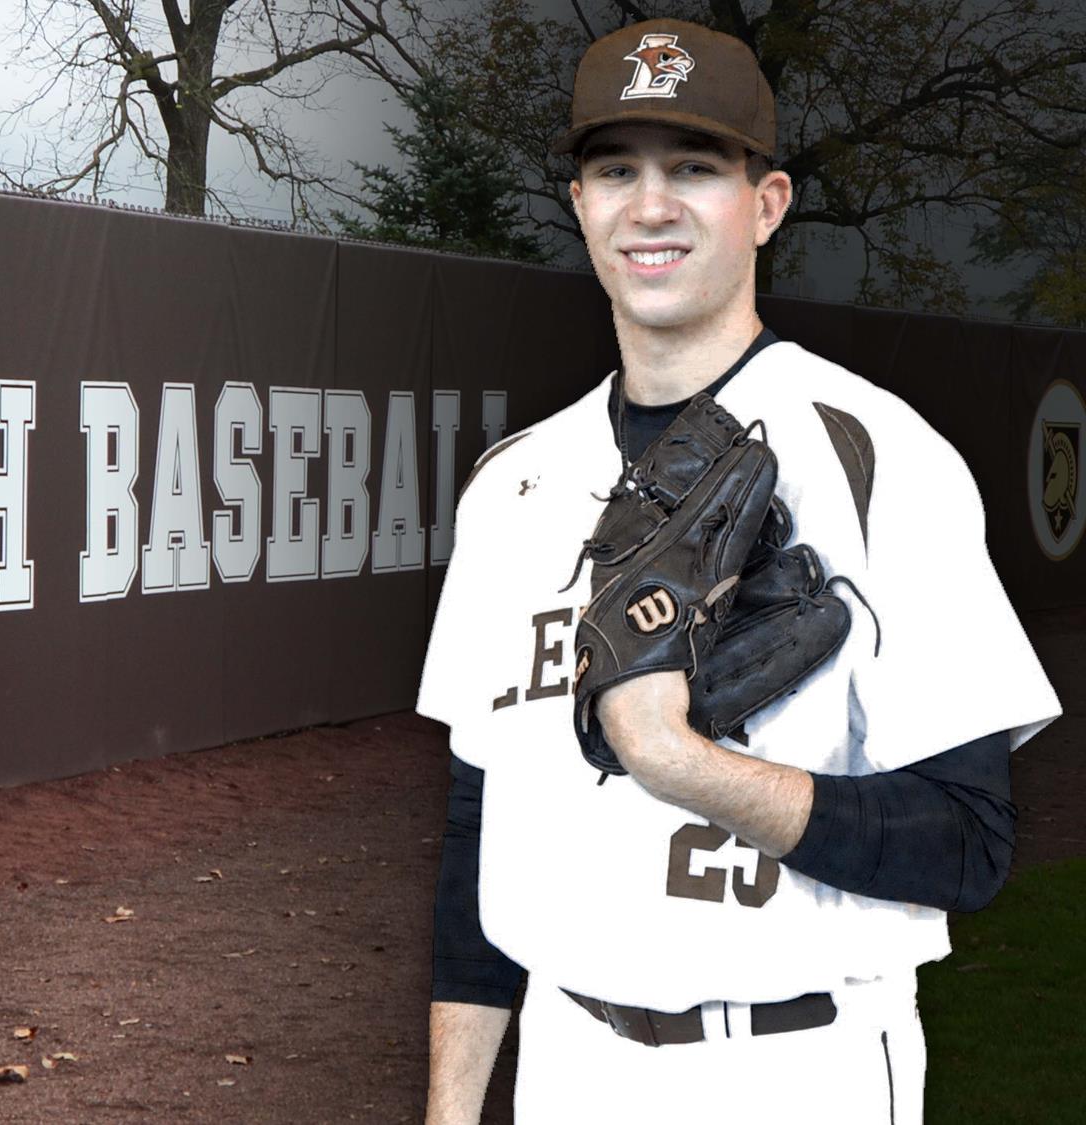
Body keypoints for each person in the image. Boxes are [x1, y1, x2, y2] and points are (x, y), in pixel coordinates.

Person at [414, 19, 1061, 1125]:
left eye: (694, 169)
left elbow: (966, 840)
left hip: (792, 1068)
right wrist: (450, 1108)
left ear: (764, 204)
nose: (648, 205)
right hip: (564, 1067)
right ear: (578, 205)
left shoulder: (874, 453)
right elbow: (484, 823)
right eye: (615, 169)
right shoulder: (509, 485)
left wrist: (678, 764)